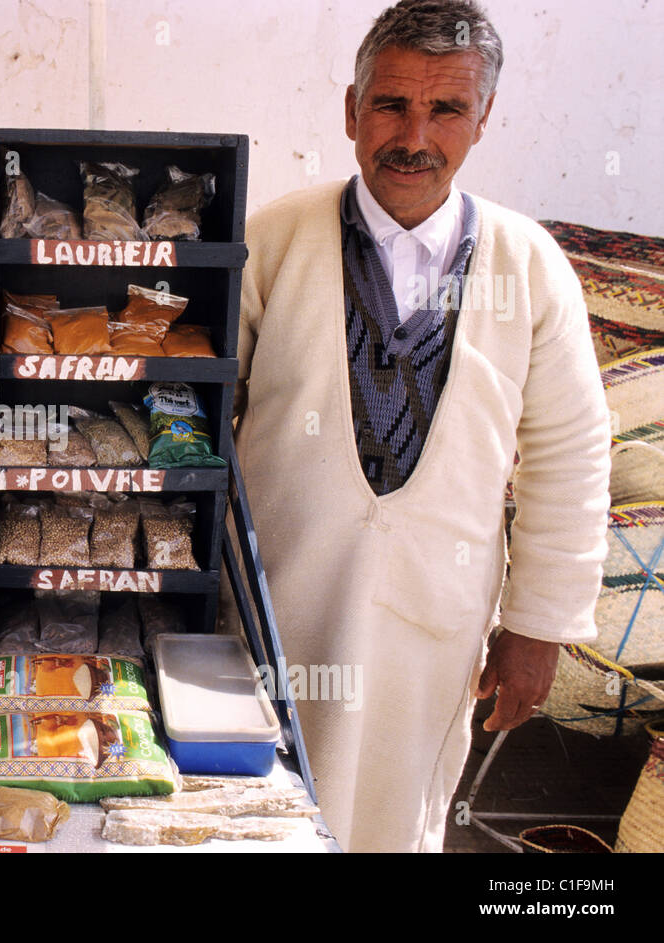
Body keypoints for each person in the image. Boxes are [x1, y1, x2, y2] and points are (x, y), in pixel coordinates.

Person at [234, 0, 611, 852]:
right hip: (277, 604)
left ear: (481, 119)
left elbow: (571, 454)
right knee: (255, 813)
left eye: (445, 110)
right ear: (350, 110)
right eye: (391, 104)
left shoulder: (528, 264)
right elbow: (202, 416)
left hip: (435, 618)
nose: (415, 135)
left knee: (395, 820)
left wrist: (538, 626)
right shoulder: (276, 239)